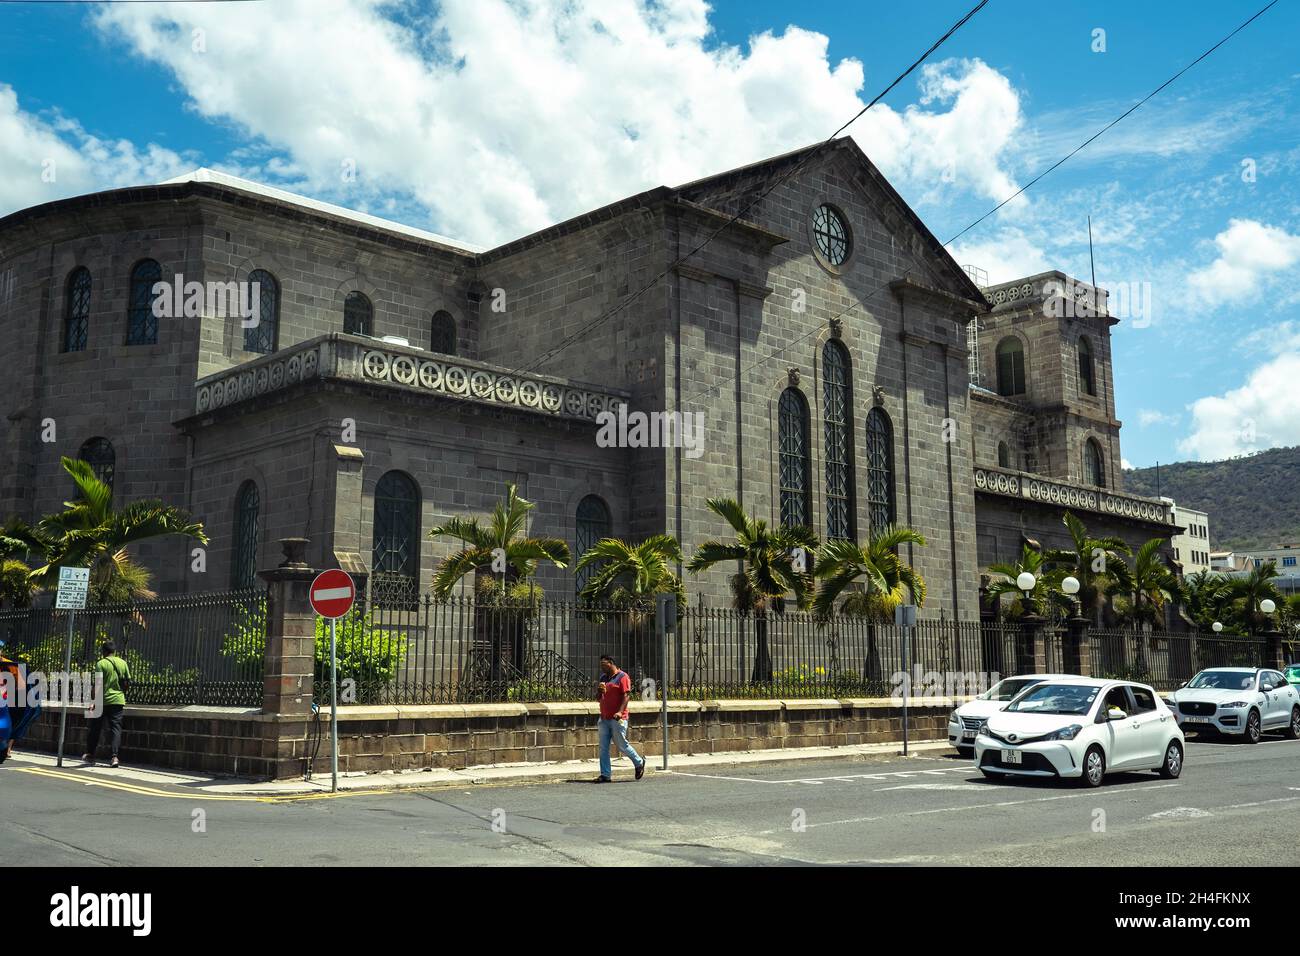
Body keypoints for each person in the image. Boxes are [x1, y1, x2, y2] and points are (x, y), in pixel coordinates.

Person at [593, 653, 644, 783]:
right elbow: (598, 699)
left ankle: (639, 762)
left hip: (617, 718)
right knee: (603, 747)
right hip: (604, 718)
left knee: (622, 745)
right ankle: (605, 774)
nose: (602, 667)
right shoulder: (603, 677)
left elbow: (626, 695)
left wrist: (620, 712)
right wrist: (599, 692)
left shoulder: (623, 677)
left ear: (611, 663)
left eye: (603, 664)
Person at [83, 641, 130, 768]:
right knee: (116, 729)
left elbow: (97, 684)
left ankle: (91, 755)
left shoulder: (101, 663)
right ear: (114, 651)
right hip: (118, 700)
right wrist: (120, 693)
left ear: (103, 651)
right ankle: (114, 757)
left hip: (102, 701)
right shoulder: (123, 663)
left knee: (95, 728)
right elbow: (126, 683)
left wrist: (93, 701)